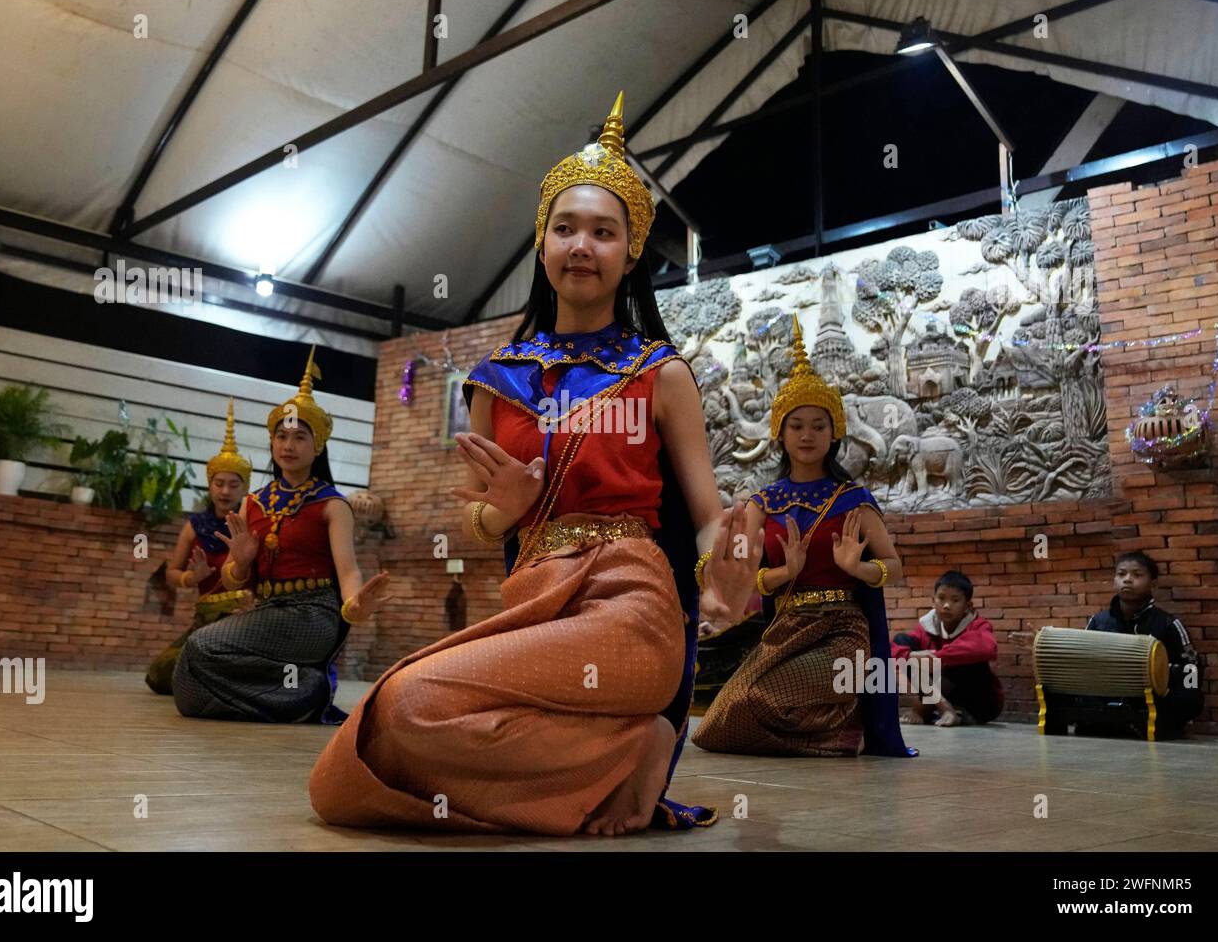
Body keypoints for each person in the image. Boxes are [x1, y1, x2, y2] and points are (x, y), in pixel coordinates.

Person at [308, 92, 764, 836]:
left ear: (631, 254)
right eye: (566, 228)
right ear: (540, 243)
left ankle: (627, 744)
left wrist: (734, 571)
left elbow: (709, 518)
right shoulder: (494, 381)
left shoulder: (660, 372)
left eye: (604, 232)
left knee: (404, 708)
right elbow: (478, 521)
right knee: (392, 727)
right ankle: (626, 751)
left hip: (630, 601)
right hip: (533, 599)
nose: (582, 245)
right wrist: (505, 511)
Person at [691, 317, 915, 758]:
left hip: (842, 632)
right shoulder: (762, 504)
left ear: (834, 434)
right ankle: (827, 731)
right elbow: (746, 578)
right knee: (715, 727)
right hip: (785, 629)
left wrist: (858, 568)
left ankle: (841, 727)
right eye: (796, 425)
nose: (807, 435)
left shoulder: (852, 499)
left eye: (818, 425)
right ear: (779, 433)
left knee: (757, 701)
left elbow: (894, 565)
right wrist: (782, 574)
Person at [172, 349, 389, 722]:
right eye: (281, 436)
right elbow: (233, 579)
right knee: (186, 686)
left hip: (312, 614)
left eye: (299, 437)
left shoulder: (332, 504)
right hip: (267, 610)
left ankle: (303, 691)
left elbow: (348, 570)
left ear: (317, 446)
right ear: (272, 443)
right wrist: (239, 563)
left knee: (199, 648)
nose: (288, 445)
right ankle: (302, 693)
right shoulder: (252, 504)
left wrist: (353, 606)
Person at [145, 400, 252, 694]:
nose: (225, 491)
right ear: (210, 485)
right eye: (219, 483)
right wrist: (191, 578)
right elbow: (172, 574)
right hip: (204, 619)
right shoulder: (195, 526)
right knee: (159, 674)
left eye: (233, 484)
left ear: (244, 489)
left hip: (241, 618)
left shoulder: (251, 525)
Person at [1084, 550, 1204, 738]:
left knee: (1191, 696)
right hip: (1109, 692)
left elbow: (1193, 669)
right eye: (1121, 574)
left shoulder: (1168, 624)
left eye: (1137, 575)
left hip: (1152, 697)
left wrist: (1165, 673)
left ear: (1153, 583)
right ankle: (1121, 722)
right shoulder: (1098, 621)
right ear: (1114, 580)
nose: (1128, 580)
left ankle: (1127, 724)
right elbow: (1081, 660)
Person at [892, 570, 1004, 726]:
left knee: (968, 658)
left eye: (955, 600)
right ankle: (945, 709)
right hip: (942, 697)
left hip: (979, 704)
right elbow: (890, 652)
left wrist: (936, 658)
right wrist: (912, 657)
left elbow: (987, 648)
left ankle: (923, 710)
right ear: (933, 601)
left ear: (968, 606)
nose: (946, 605)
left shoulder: (977, 625)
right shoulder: (926, 627)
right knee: (903, 644)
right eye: (941, 598)